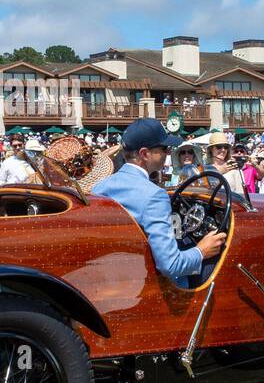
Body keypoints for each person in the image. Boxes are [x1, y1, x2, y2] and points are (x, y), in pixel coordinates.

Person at [90, 119, 226, 289]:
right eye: (164, 148)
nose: (168, 152)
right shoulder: (154, 196)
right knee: (220, 261)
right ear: (144, 154)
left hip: (115, 272)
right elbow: (170, 265)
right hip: (151, 283)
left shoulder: (100, 187)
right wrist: (202, 251)